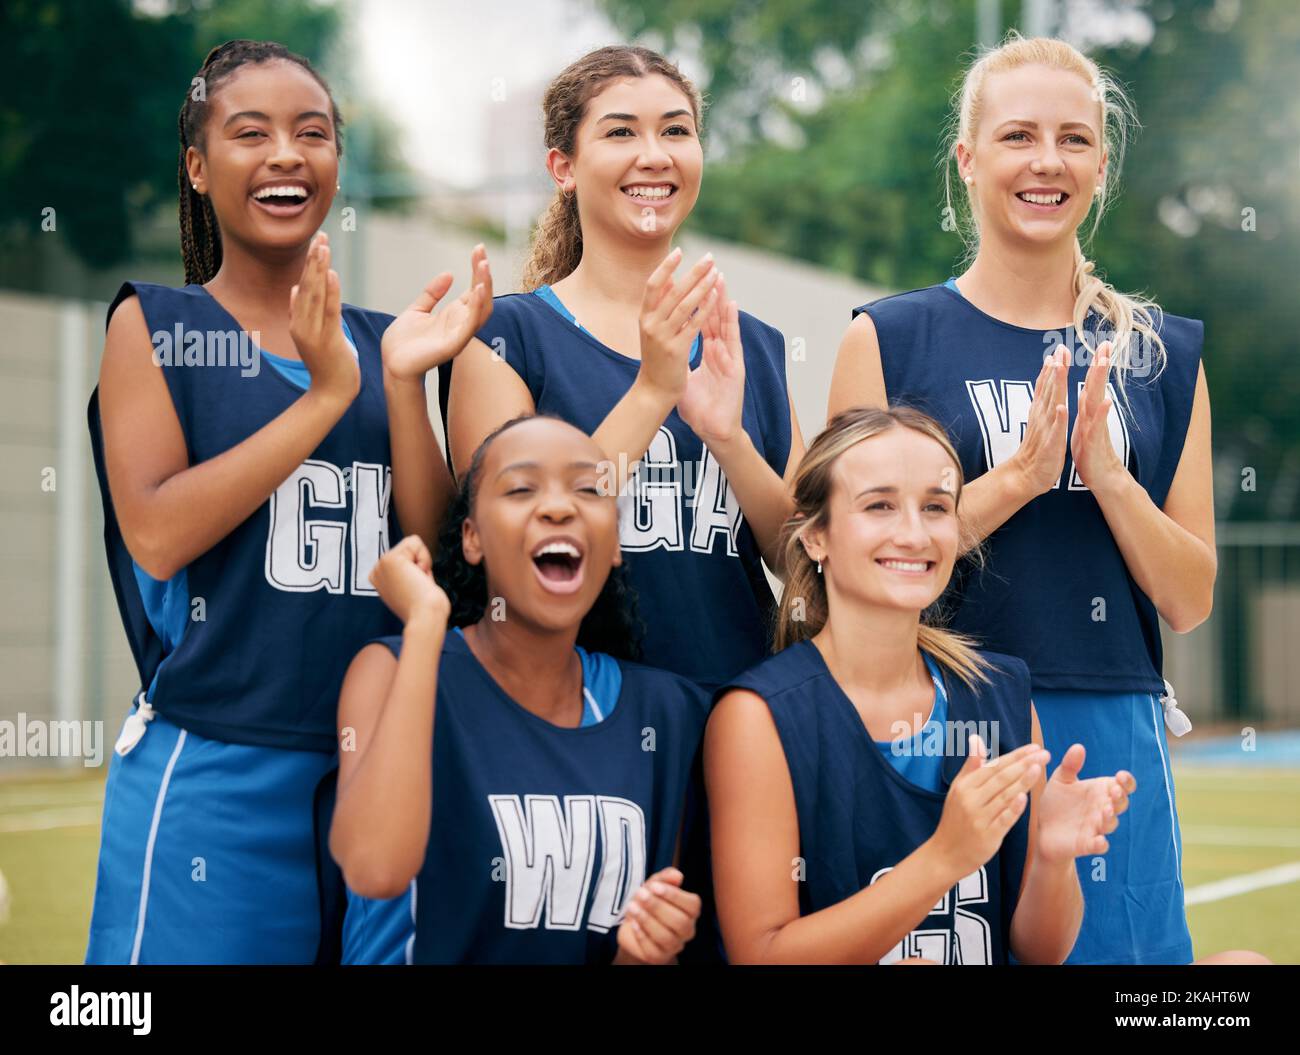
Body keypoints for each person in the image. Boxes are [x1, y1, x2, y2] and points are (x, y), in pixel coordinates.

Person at [85, 39, 487, 964]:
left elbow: (436, 550)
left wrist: (396, 384)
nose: (285, 155)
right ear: (197, 166)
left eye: (313, 133)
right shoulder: (155, 324)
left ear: (337, 164)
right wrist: (321, 399)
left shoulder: (389, 344)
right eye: (250, 133)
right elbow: (156, 532)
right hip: (220, 763)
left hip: (383, 763)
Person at [827, 32, 1210, 966]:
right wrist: (1017, 482)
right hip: (938, 716)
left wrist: (1109, 479)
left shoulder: (1159, 351)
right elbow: (840, 560)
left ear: (1101, 163)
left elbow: (1190, 597)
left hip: (1108, 724)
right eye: (1018, 136)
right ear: (969, 159)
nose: (1047, 162)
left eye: (1075, 139)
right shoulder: (891, 338)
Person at [429, 44, 805, 692]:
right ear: (563, 166)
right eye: (621, 131)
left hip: (742, 717)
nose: (654, 154)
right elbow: (509, 547)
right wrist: (652, 391)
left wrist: (729, 440)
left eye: (676, 130)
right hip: (579, 725)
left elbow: (802, 558)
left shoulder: (749, 344)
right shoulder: (503, 337)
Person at [706, 406, 1136, 964]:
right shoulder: (758, 717)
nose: (912, 534)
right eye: (879, 505)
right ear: (816, 537)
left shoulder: (998, 691)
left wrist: (1053, 856)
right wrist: (942, 859)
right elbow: (761, 954)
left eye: (935, 507)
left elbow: (1040, 950)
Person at [330, 415, 709, 963]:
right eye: (521, 488)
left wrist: (647, 951)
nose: (559, 507)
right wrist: (425, 621)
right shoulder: (392, 668)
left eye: (589, 489)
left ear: (616, 543)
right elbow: (374, 869)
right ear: (472, 539)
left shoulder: (663, 713)